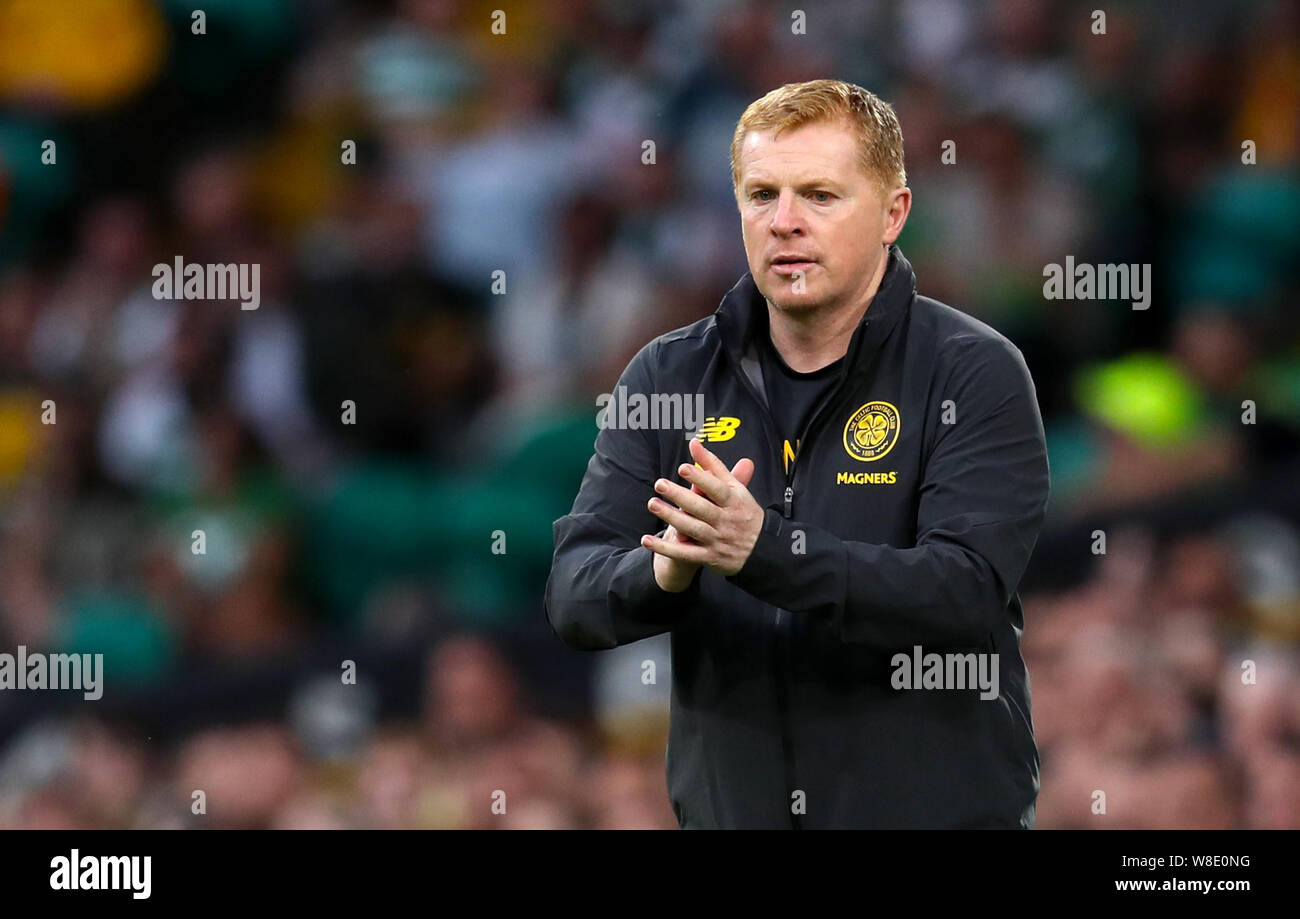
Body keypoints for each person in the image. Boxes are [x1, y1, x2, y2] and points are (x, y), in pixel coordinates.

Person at [545, 79, 1051, 829]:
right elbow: (573, 592)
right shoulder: (670, 374)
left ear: (893, 213)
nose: (784, 222)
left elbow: (964, 588)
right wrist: (662, 569)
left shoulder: (972, 370)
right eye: (761, 195)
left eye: (819, 195)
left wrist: (765, 551)